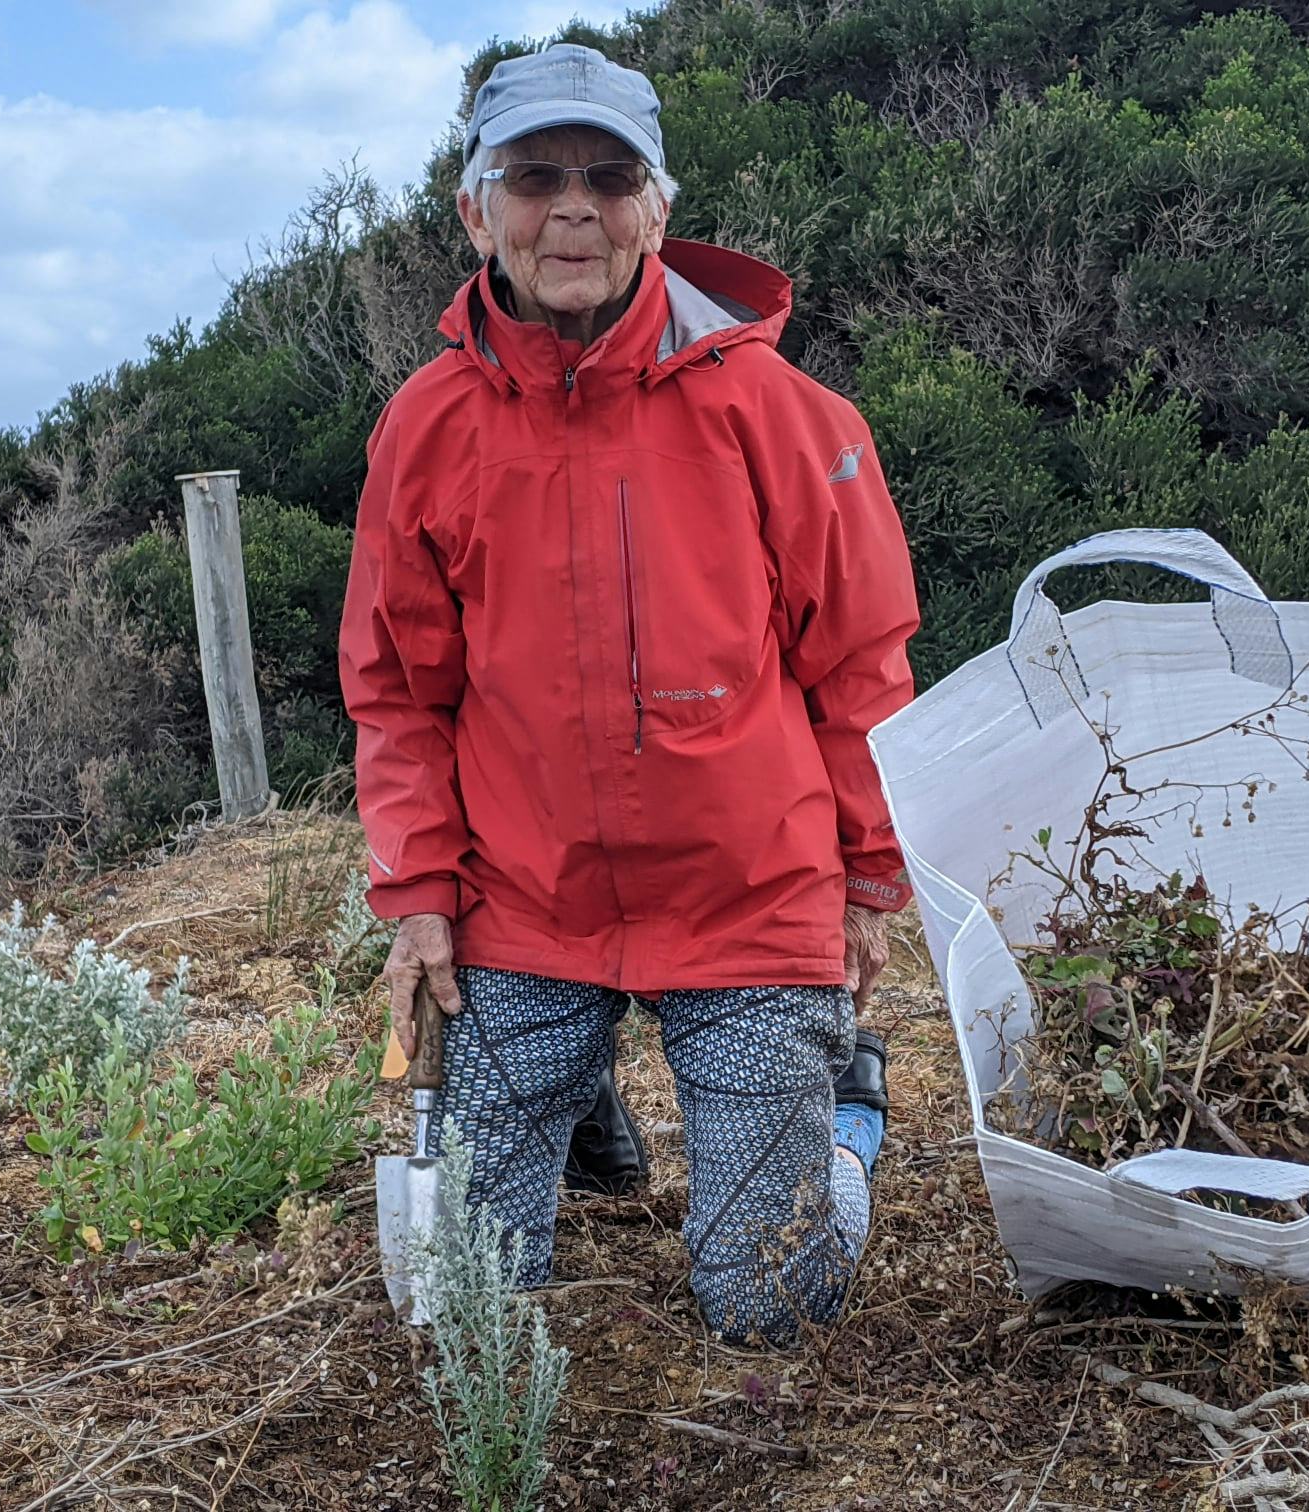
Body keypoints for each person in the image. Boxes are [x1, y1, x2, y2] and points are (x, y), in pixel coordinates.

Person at [338, 42, 919, 1344]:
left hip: (751, 903)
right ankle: (571, 1090)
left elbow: (863, 667)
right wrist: (419, 895)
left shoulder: (781, 409)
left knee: (770, 1309)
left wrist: (869, 879)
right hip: (524, 904)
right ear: (474, 208)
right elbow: (395, 690)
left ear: (659, 207)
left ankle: (850, 1122)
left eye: (610, 175)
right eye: (535, 174)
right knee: (465, 1309)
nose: (574, 208)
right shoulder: (426, 426)